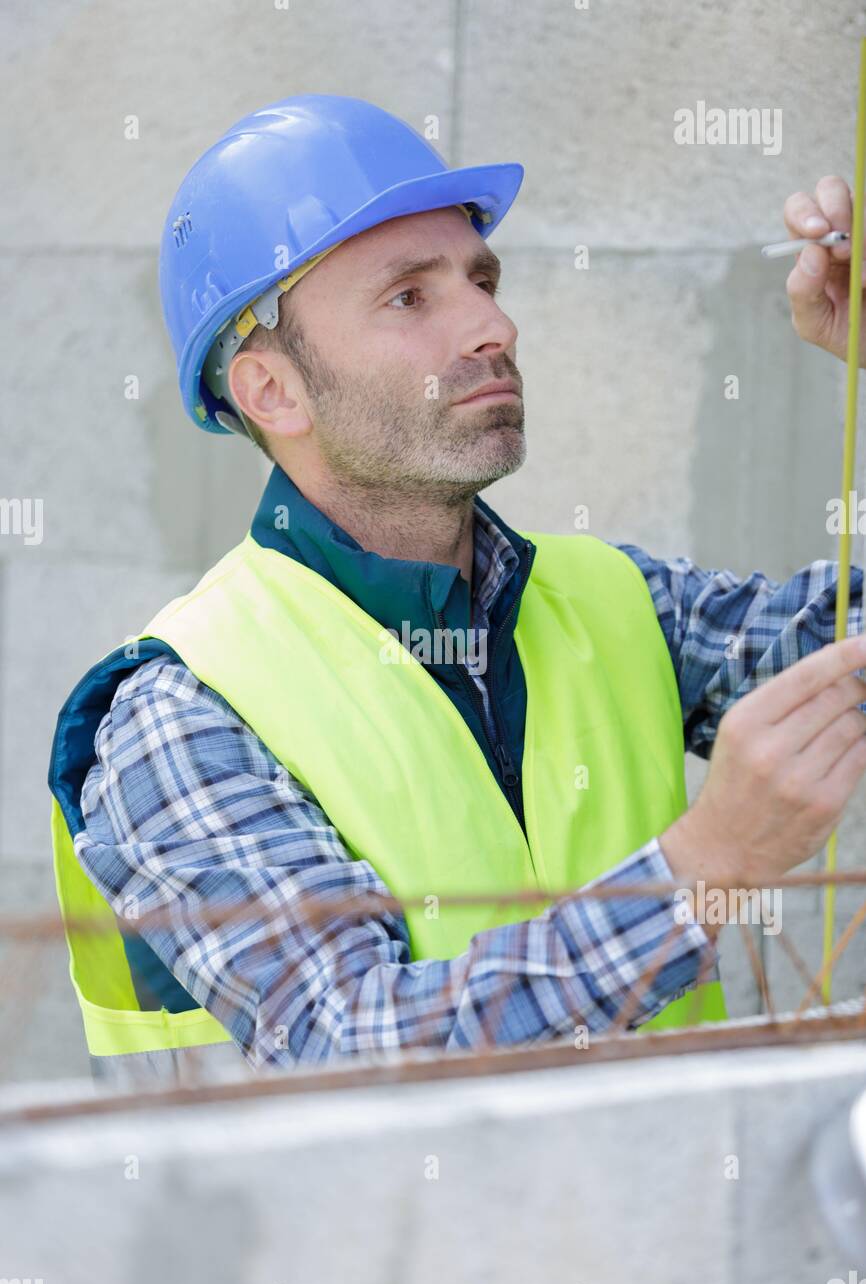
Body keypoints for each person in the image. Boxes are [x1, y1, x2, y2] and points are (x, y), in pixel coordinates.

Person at [48, 99, 866, 1082]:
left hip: (660, 1231)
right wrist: (705, 871)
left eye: (481, 280)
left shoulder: (613, 601)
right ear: (273, 391)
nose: (492, 324)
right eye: (408, 296)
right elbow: (352, 1046)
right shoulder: (179, 709)